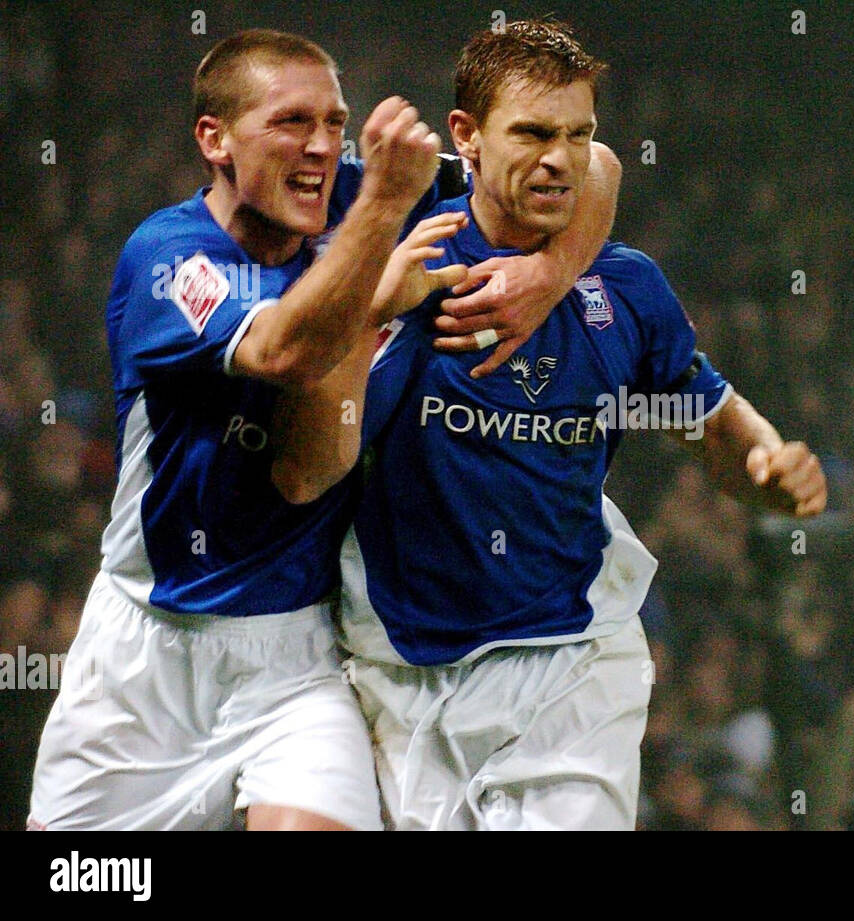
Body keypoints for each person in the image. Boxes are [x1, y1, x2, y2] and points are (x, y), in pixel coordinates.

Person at [28, 28, 617, 831]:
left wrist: (550, 276)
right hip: (145, 657)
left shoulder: (342, 189)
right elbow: (285, 348)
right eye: (292, 123)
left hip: (296, 660)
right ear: (216, 139)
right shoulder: (169, 256)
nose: (321, 147)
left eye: (336, 125)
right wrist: (379, 224)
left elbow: (598, 165)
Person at [272, 20, 828, 830]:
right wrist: (367, 312)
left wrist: (767, 465)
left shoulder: (626, 287)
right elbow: (305, 470)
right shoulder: (390, 256)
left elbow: (709, 417)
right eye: (532, 133)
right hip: (398, 665)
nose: (560, 157)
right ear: (464, 136)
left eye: (578, 133)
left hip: (569, 660)